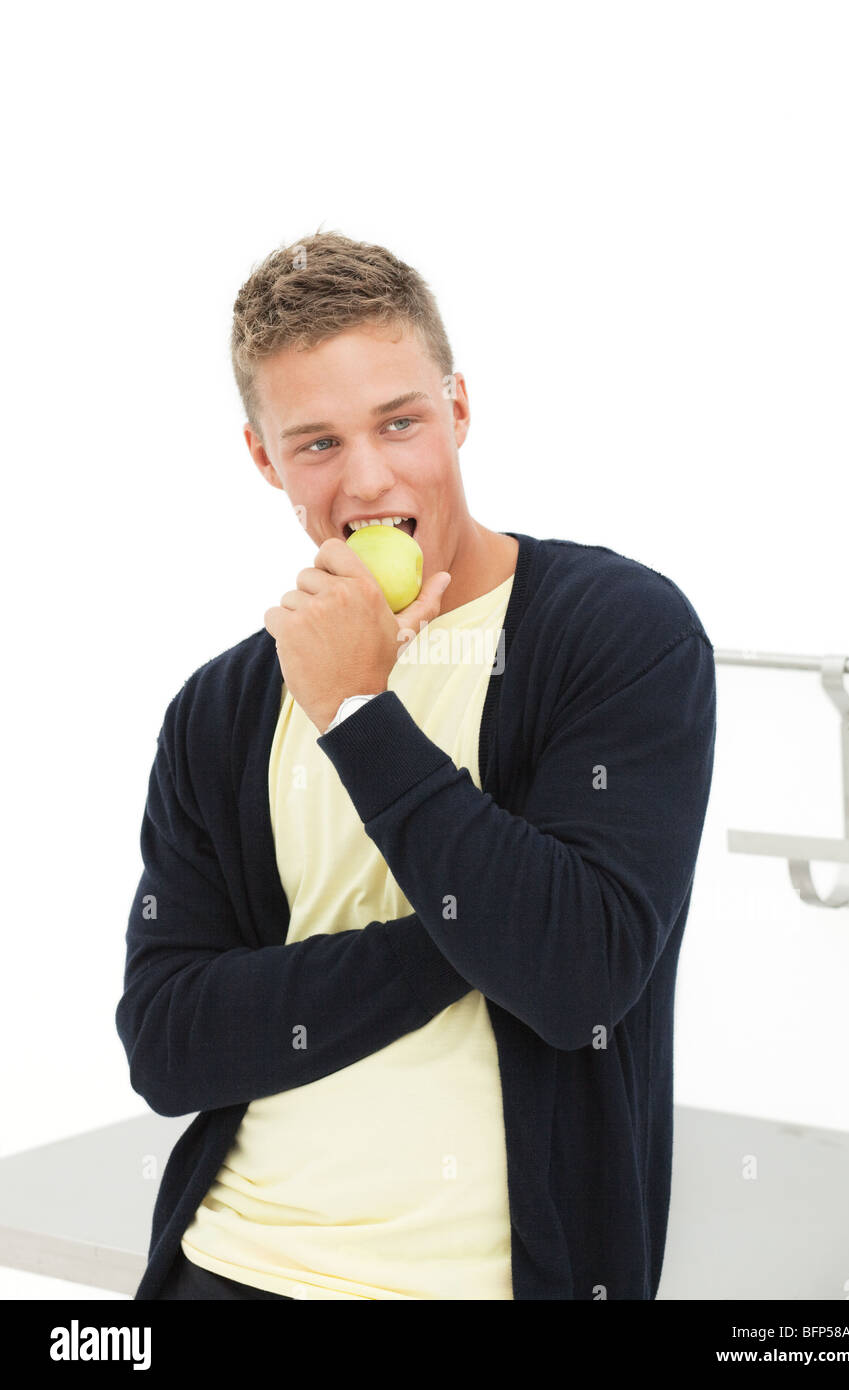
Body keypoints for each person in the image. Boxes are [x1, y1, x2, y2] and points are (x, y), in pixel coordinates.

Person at [116, 229, 717, 1301]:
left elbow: (578, 975)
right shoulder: (222, 706)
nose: (370, 475)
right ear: (263, 459)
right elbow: (168, 1044)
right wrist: (467, 939)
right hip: (228, 1266)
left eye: (401, 421)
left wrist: (357, 711)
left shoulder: (617, 632)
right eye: (316, 443)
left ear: (459, 408)